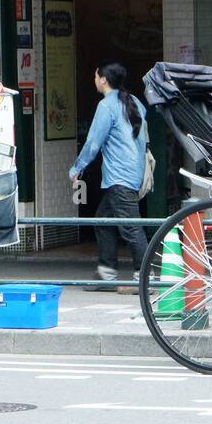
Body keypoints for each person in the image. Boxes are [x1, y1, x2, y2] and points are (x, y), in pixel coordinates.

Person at [70, 61, 148, 291]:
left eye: (96, 75)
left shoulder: (106, 106)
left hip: (119, 176)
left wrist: (77, 168)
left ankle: (143, 278)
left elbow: (94, 142)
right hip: (132, 172)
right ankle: (107, 274)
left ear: (103, 79)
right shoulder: (135, 102)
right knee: (103, 221)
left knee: (131, 228)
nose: (94, 79)